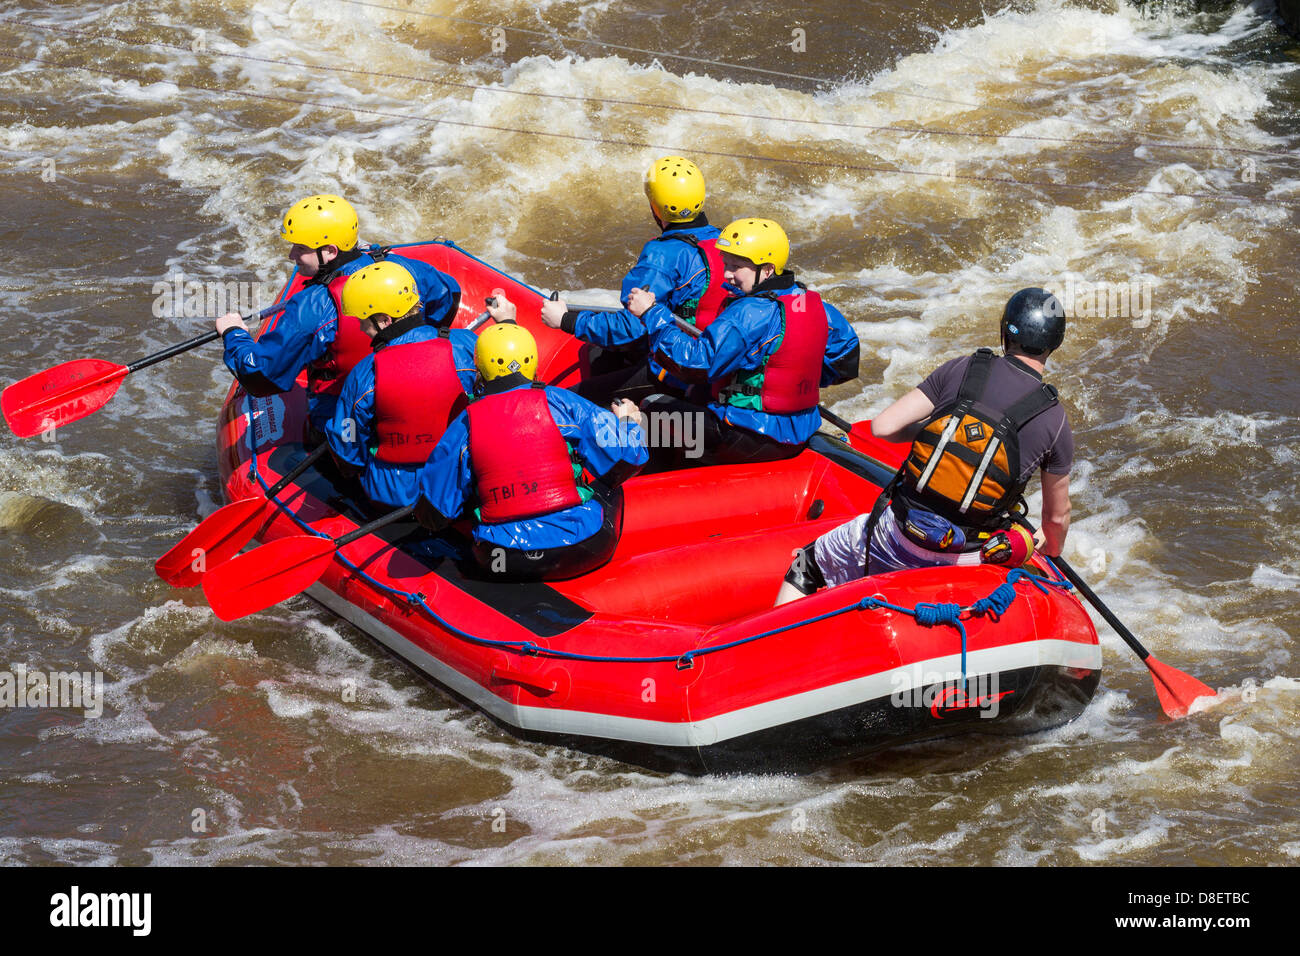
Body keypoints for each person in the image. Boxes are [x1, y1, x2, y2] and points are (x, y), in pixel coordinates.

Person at [775, 287, 1072, 605]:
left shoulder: (965, 368)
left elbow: (884, 427)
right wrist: (1048, 546)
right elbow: (1056, 519)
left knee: (805, 564)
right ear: (1054, 345)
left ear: (1005, 331)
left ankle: (777, 644)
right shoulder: (1054, 420)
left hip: (898, 537)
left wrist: (935, 433)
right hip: (969, 560)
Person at [413, 298, 648, 580]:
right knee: (609, 479)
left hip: (500, 559)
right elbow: (631, 457)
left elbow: (435, 515)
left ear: (480, 369)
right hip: (586, 549)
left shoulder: (464, 425)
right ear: (533, 363)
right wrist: (628, 423)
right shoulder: (565, 403)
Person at [215, 194, 461, 440]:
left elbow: (260, 376)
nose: (291, 256)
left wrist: (234, 333)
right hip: (415, 394)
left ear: (331, 251)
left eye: (301, 248)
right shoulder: (402, 270)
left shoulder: (312, 306)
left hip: (344, 416)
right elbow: (449, 295)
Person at [635, 217, 860, 469]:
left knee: (652, 407)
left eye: (737, 266)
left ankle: (654, 481)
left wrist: (652, 314)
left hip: (744, 438)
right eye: (726, 264)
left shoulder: (749, 311)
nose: (727, 275)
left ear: (767, 270)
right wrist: (790, 382)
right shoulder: (816, 305)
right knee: (697, 394)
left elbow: (694, 365)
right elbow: (845, 359)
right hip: (798, 433)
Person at [539, 156, 728, 404]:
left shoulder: (662, 255)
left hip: (676, 372)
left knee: (559, 402)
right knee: (599, 355)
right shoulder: (724, 241)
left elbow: (630, 328)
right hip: (712, 359)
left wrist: (566, 320)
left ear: (654, 207)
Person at [325, 261, 479, 508]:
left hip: (391, 493)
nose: (361, 328)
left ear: (384, 320)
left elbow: (347, 442)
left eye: (363, 320)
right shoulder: (467, 345)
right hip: (458, 485)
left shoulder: (365, 373)